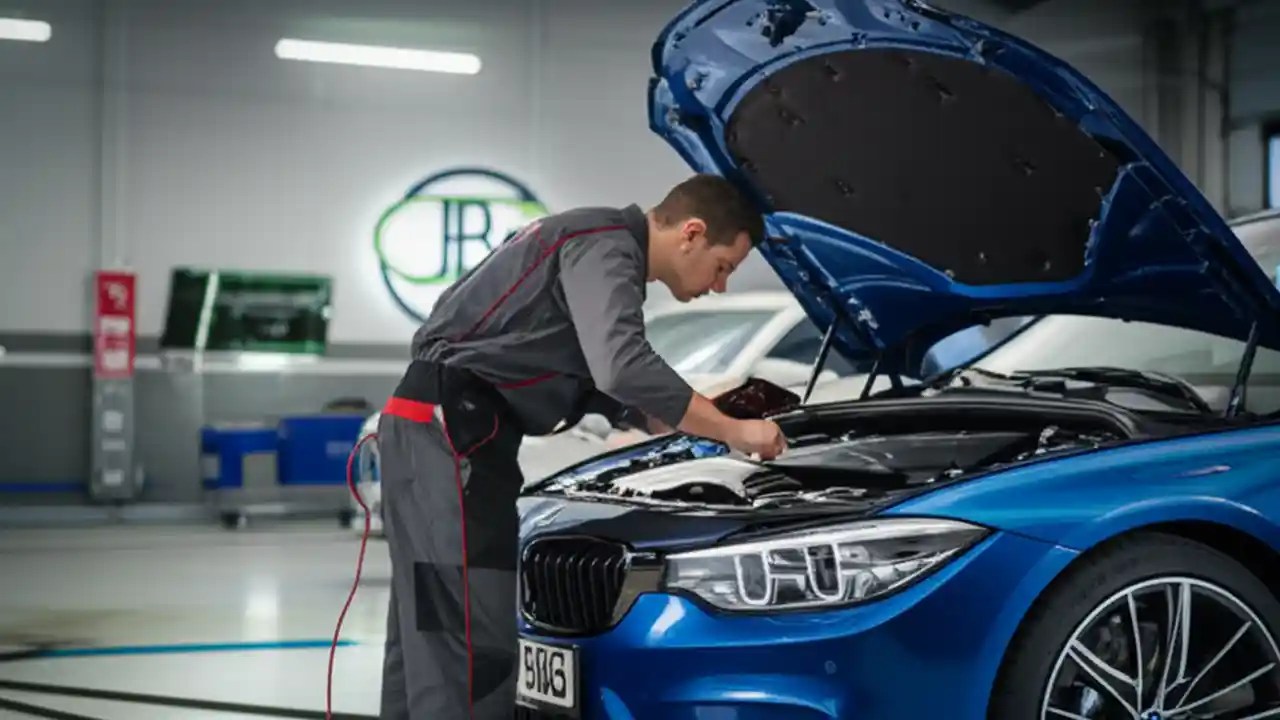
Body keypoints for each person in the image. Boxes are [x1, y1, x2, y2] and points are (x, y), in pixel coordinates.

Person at [376, 173, 788, 719]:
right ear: (691, 233)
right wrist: (731, 430)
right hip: (455, 434)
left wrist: (690, 415)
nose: (719, 286)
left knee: (426, 630)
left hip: (434, 426)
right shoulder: (606, 246)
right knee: (471, 638)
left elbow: (576, 368)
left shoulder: (582, 238)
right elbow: (622, 364)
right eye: (723, 268)